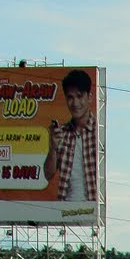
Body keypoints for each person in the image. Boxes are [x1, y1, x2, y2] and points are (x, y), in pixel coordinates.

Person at [43, 68, 99, 203]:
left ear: (89, 97)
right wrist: (53, 148)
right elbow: (48, 175)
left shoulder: (98, 132)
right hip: (65, 210)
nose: (75, 103)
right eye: (70, 97)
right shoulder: (61, 133)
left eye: (79, 96)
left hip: (90, 208)